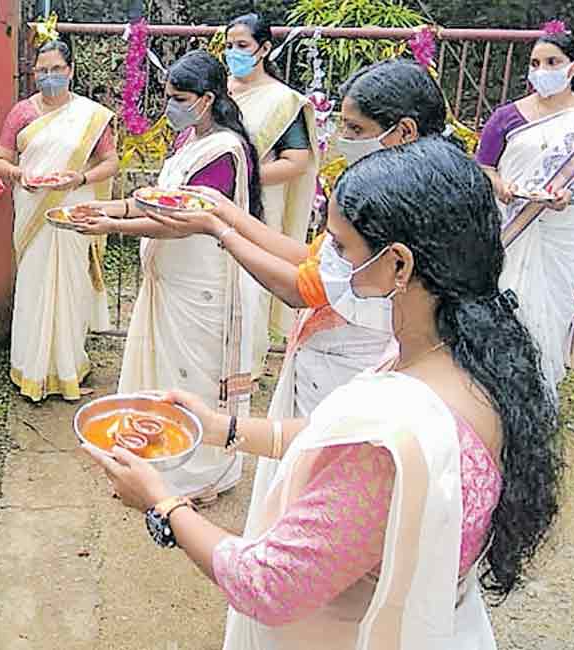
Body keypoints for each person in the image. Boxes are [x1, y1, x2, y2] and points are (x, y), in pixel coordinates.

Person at [90, 138, 562, 650]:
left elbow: (265, 584)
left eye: (338, 248)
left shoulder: (392, 436)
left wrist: (160, 503)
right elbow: (332, 440)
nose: (322, 259)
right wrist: (220, 428)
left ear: (399, 266)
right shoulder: (466, 357)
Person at [142, 59, 455, 642]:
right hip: (331, 370)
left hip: (350, 371)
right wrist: (227, 213)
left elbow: (304, 284)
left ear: (404, 132)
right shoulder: (401, 193)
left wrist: (222, 230)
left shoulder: (395, 211)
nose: (339, 138)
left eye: (355, 129)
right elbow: (313, 259)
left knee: (326, 527)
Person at [74, 50, 265, 503]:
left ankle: (203, 476)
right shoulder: (188, 141)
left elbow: (183, 219)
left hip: (202, 285)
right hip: (170, 282)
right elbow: (159, 200)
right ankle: (158, 463)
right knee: (164, 375)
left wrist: (113, 225)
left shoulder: (224, 150)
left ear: (207, 99)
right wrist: (112, 207)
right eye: (167, 96)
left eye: (179, 98)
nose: (171, 106)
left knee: (195, 380)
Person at [476, 30, 574, 395]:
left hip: (564, 229)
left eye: (552, 63)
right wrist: (500, 186)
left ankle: (540, 391)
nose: (542, 70)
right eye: (536, 64)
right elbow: (484, 165)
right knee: (501, 300)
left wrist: (571, 195)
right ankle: (493, 390)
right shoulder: (507, 116)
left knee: (551, 309)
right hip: (509, 224)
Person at [0, 40, 118, 402]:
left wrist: (80, 179)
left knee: (71, 288)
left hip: (74, 212)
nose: (49, 77)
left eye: (56, 69)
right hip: (33, 211)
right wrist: (20, 176)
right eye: (42, 70)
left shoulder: (90, 116)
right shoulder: (21, 114)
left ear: (71, 70)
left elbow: (110, 162)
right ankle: (30, 369)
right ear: (34, 73)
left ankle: (68, 367)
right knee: (34, 286)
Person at [225, 13, 319, 346]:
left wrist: (242, 178)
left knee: (250, 280)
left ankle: (246, 362)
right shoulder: (218, 92)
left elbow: (296, 161)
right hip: (215, 199)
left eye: (242, 46)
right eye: (229, 46)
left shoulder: (282, 101)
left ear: (263, 49)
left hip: (259, 204)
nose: (234, 53)